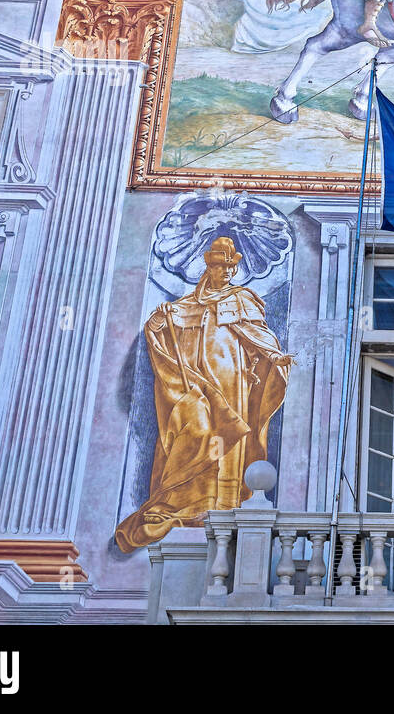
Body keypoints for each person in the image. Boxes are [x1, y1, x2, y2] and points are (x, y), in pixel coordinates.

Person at [115, 237, 292, 552]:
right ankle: (181, 501)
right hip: (195, 384)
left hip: (232, 382)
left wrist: (274, 359)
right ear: (208, 266)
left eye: (229, 266)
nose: (224, 271)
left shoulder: (242, 299)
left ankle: (220, 503)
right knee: (194, 431)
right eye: (219, 265)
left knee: (227, 438)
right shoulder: (186, 305)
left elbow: (259, 337)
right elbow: (156, 328)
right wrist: (160, 320)